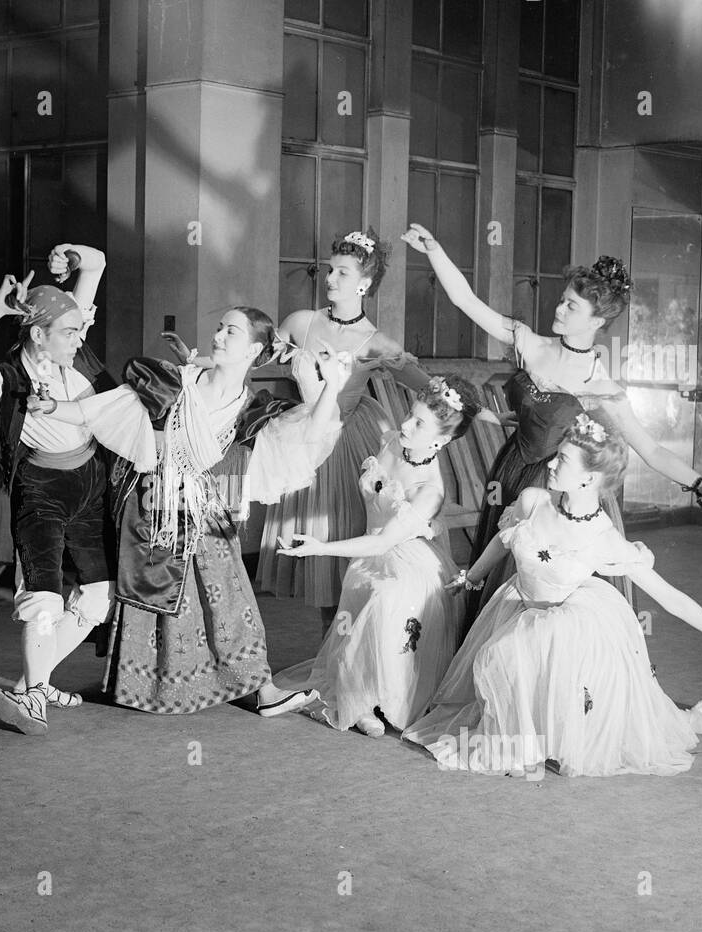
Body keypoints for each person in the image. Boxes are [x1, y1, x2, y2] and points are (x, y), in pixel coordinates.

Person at [403, 415, 702, 778]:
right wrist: (470, 578)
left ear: (589, 479)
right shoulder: (533, 500)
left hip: (571, 621)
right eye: (557, 456)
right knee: (505, 656)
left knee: (502, 654)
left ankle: (531, 743)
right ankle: (527, 737)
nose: (551, 464)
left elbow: (672, 598)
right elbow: (504, 542)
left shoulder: (604, 539)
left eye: (563, 461)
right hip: (519, 605)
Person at [400, 223, 702, 631]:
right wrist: (434, 249)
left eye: (571, 307)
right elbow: (466, 301)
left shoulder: (601, 387)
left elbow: (651, 450)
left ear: (597, 321)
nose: (559, 310)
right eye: (562, 301)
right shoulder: (529, 343)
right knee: (494, 582)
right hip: (509, 475)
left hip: (558, 488)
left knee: (539, 600)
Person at [33, 307, 345, 715]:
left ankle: (262, 689)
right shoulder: (171, 383)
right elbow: (103, 410)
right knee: (154, 591)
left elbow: (307, 435)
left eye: (230, 331)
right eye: (219, 328)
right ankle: (144, 687)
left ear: (253, 349)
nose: (218, 336)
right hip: (153, 507)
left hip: (206, 509)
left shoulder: (251, 409)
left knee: (230, 597)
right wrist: (53, 407)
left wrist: (333, 388)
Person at [0, 244, 113, 735]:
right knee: (44, 597)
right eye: (70, 330)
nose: (81, 338)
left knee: (98, 598)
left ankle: (27, 686)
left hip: (89, 484)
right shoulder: (9, 377)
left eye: (80, 328)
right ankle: (34, 695)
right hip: (40, 489)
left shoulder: (74, 354)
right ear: (39, 334)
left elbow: (96, 263)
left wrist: (68, 255)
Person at [274, 376, 482, 738]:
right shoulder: (391, 441)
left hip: (406, 563)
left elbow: (382, 542)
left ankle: (378, 698)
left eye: (419, 423)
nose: (404, 424)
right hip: (369, 553)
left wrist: (320, 548)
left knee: (387, 597)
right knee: (368, 593)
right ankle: (361, 696)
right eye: (409, 414)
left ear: (442, 439)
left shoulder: (428, 490)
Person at [257, 229, 433, 629]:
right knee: (320, 552)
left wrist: (481, 413)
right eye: (330, 270)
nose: (330, 280)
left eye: (342, 273)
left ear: (365, 284)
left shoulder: (376, 343)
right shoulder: (302, 322)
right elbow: (255, 360)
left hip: (352, 443)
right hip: (304, 441)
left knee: (354, 545)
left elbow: (430, 388)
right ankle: (329, 653)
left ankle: (352, 650)